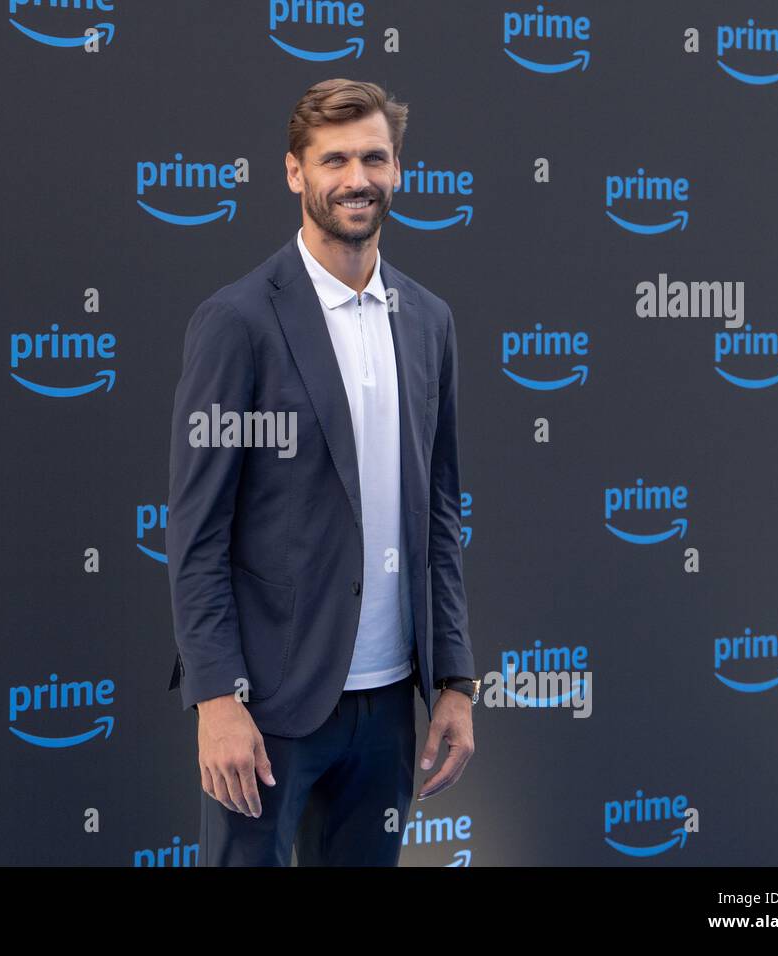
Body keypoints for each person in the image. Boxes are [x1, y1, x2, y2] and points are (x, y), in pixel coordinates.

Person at [166, 78, 478, 866]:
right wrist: (216, 699)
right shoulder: (238, 322)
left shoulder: (429, 321)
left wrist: (455, 680)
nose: (357, 177)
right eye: (333, 158)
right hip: (269, 705)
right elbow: (198, 532)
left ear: (398, 171)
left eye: (374, 157)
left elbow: (438, 513)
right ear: (294, 173)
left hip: (389, 705)